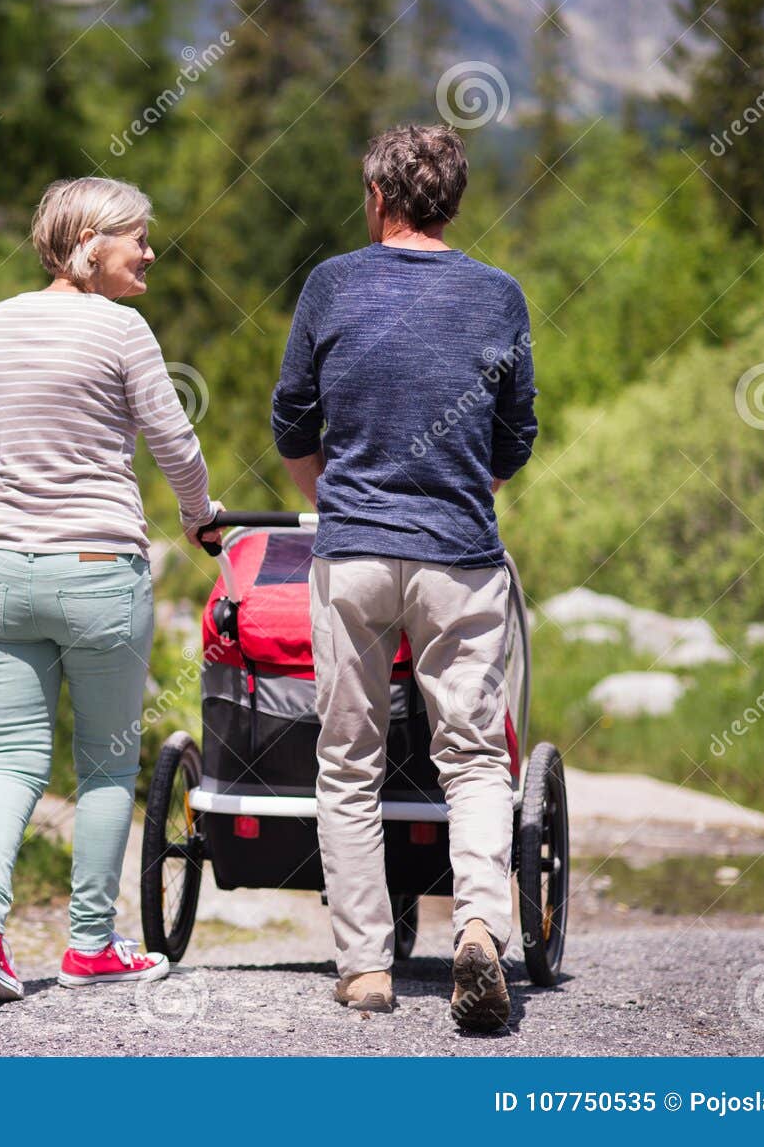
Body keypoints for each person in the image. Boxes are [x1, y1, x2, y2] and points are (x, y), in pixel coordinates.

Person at [271, 125, 538, 1032]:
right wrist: (461, 491)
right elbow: (515, 436)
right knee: (470, 758)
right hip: (459, 555)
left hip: (351, 554)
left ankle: (365, 968)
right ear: (454, 199)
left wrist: (337, 503)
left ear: (378, 197)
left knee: (348, 762)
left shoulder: (333, 284)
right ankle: (476, 928)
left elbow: (291, 421)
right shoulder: (499, 295)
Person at [0, 177, 222, 1004]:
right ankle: (91, 945)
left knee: (13, 762)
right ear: (87, 244)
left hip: (4, 573)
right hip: (98, 571)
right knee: (105, 764)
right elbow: (174, 443)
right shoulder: (122, 328)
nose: (148, 252)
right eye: (134, 238)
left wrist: (7, 529)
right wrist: (199, 515)